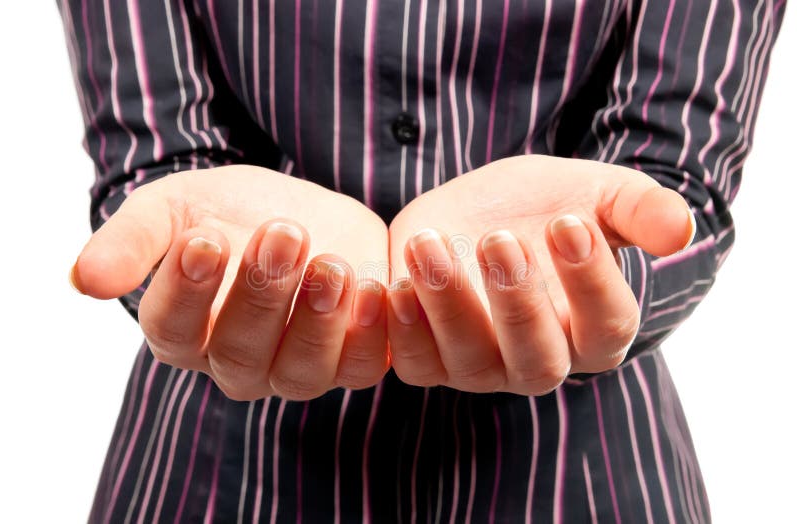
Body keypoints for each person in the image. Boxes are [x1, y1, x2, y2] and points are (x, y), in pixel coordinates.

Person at [59, 0, 784, 522]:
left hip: (582, 472)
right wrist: (201, 263)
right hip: (217, 472)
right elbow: (156, 162)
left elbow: (675, 181)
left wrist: (581, 278)